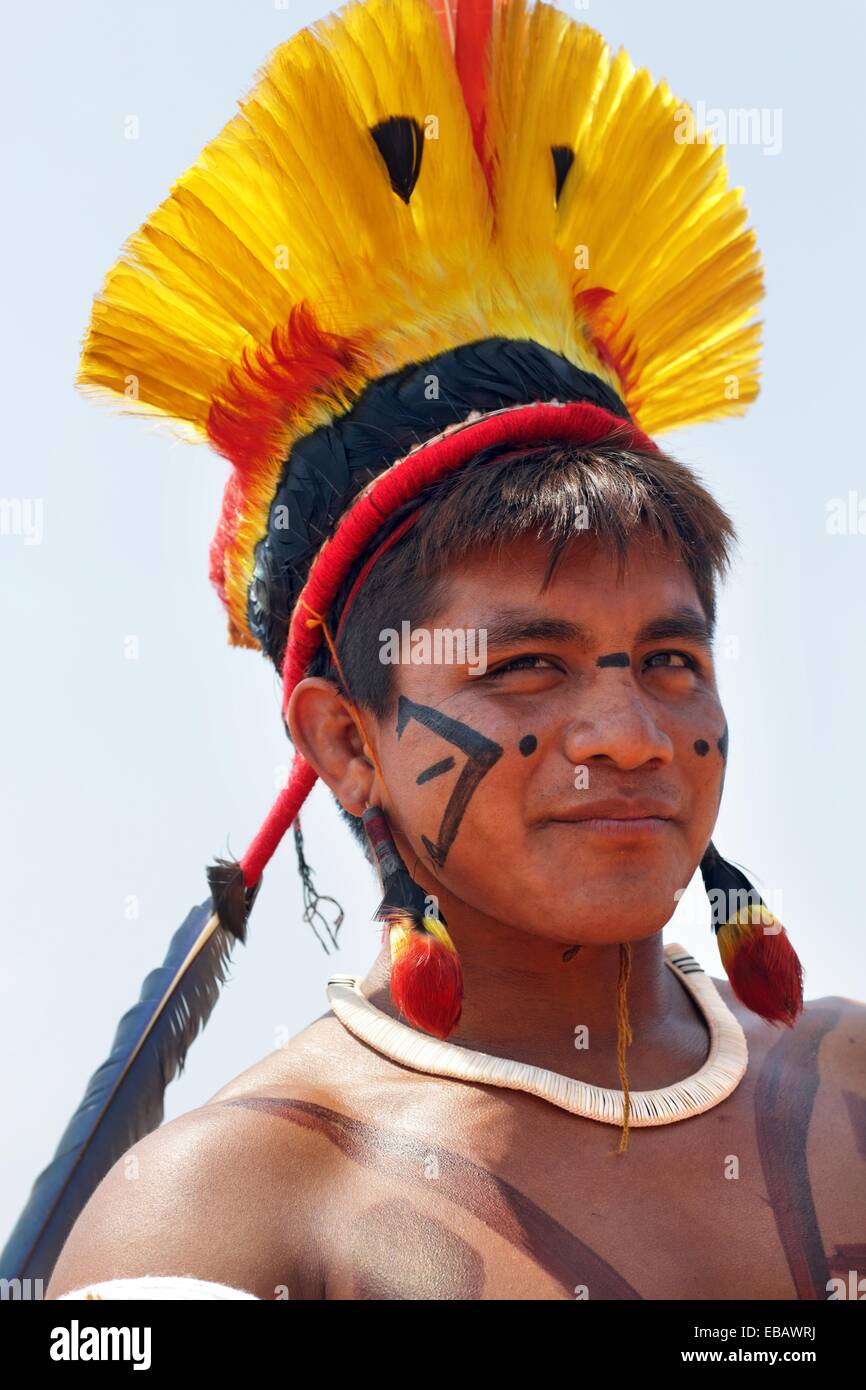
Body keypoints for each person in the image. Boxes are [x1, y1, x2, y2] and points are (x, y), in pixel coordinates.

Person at [9, 0, 865, 1299]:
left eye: (669, 659)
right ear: (345, 740)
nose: (630, 732)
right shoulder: (223, 1221)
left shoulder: (846, 1080)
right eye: (527, 665)